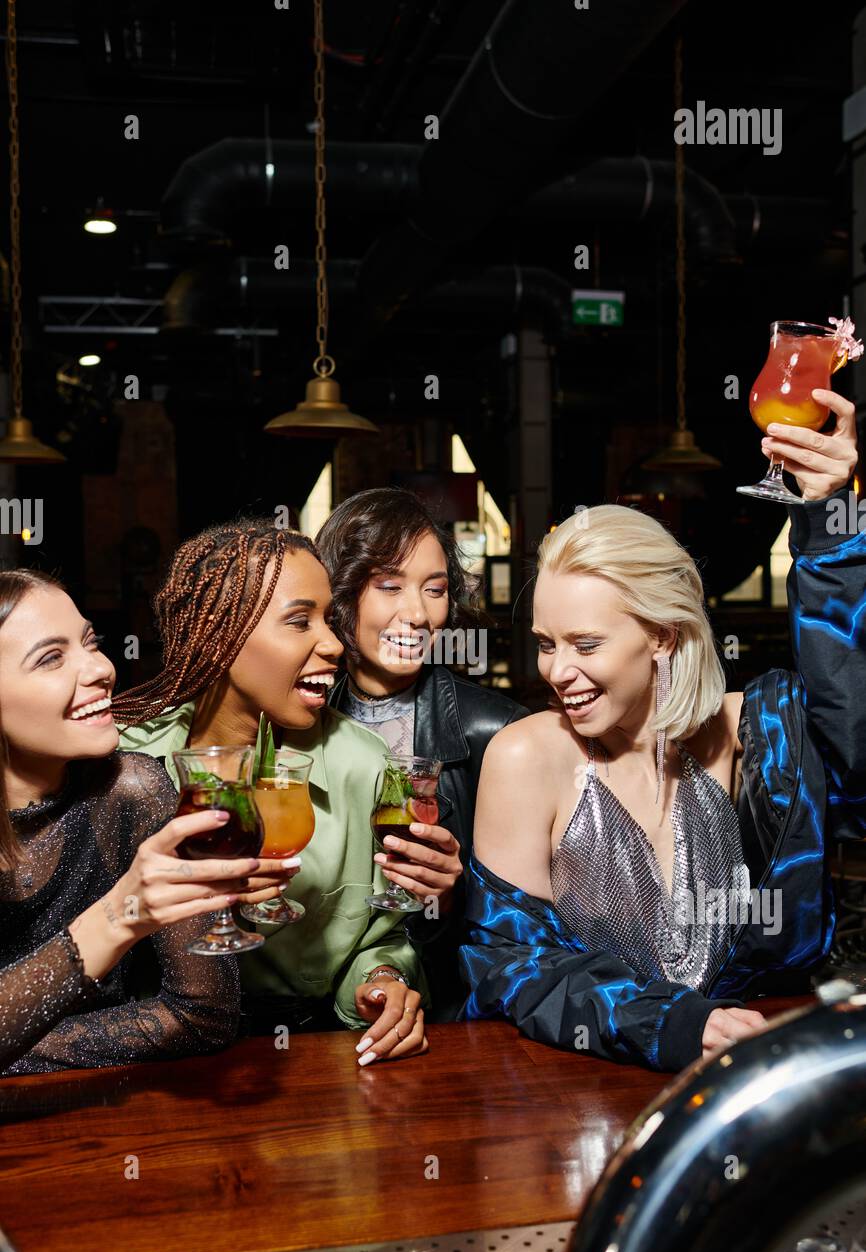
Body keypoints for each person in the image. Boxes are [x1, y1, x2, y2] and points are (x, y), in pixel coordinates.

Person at [460, 389, 864, 1071]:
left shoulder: (756, 733)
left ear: (662, 636)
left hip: (757, 1074)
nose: (557, 671)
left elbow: (852, 733)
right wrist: (672, 1025)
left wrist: (830, 521)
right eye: (544, 642)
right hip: (581, 1093)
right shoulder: (527, 755)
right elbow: (507, 964)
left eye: (585, 645)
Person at [115, 519, 452, 1065]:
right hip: (157, 1061)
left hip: (309, 1061)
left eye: (329, 620)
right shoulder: (124, 767)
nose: (335, 644)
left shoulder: (359, 764)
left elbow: (382, 937)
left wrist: (383, 983)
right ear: (219, 636)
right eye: (300, 621)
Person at [0, 569, 271, 1074]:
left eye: (89, 642)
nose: (101, 668)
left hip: (106, 1117)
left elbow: (204, 1015)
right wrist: (118, 915)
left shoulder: (132, 788)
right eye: (51, 658)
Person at [316, 487, 528, 1019]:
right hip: (326, 1023)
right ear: (341, 596)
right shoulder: (303, 724)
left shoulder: (498, 731)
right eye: (390, 586)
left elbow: (540, 929)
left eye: (434, 590)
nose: (416, 613)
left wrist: (453, 898)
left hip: (451, 1021)